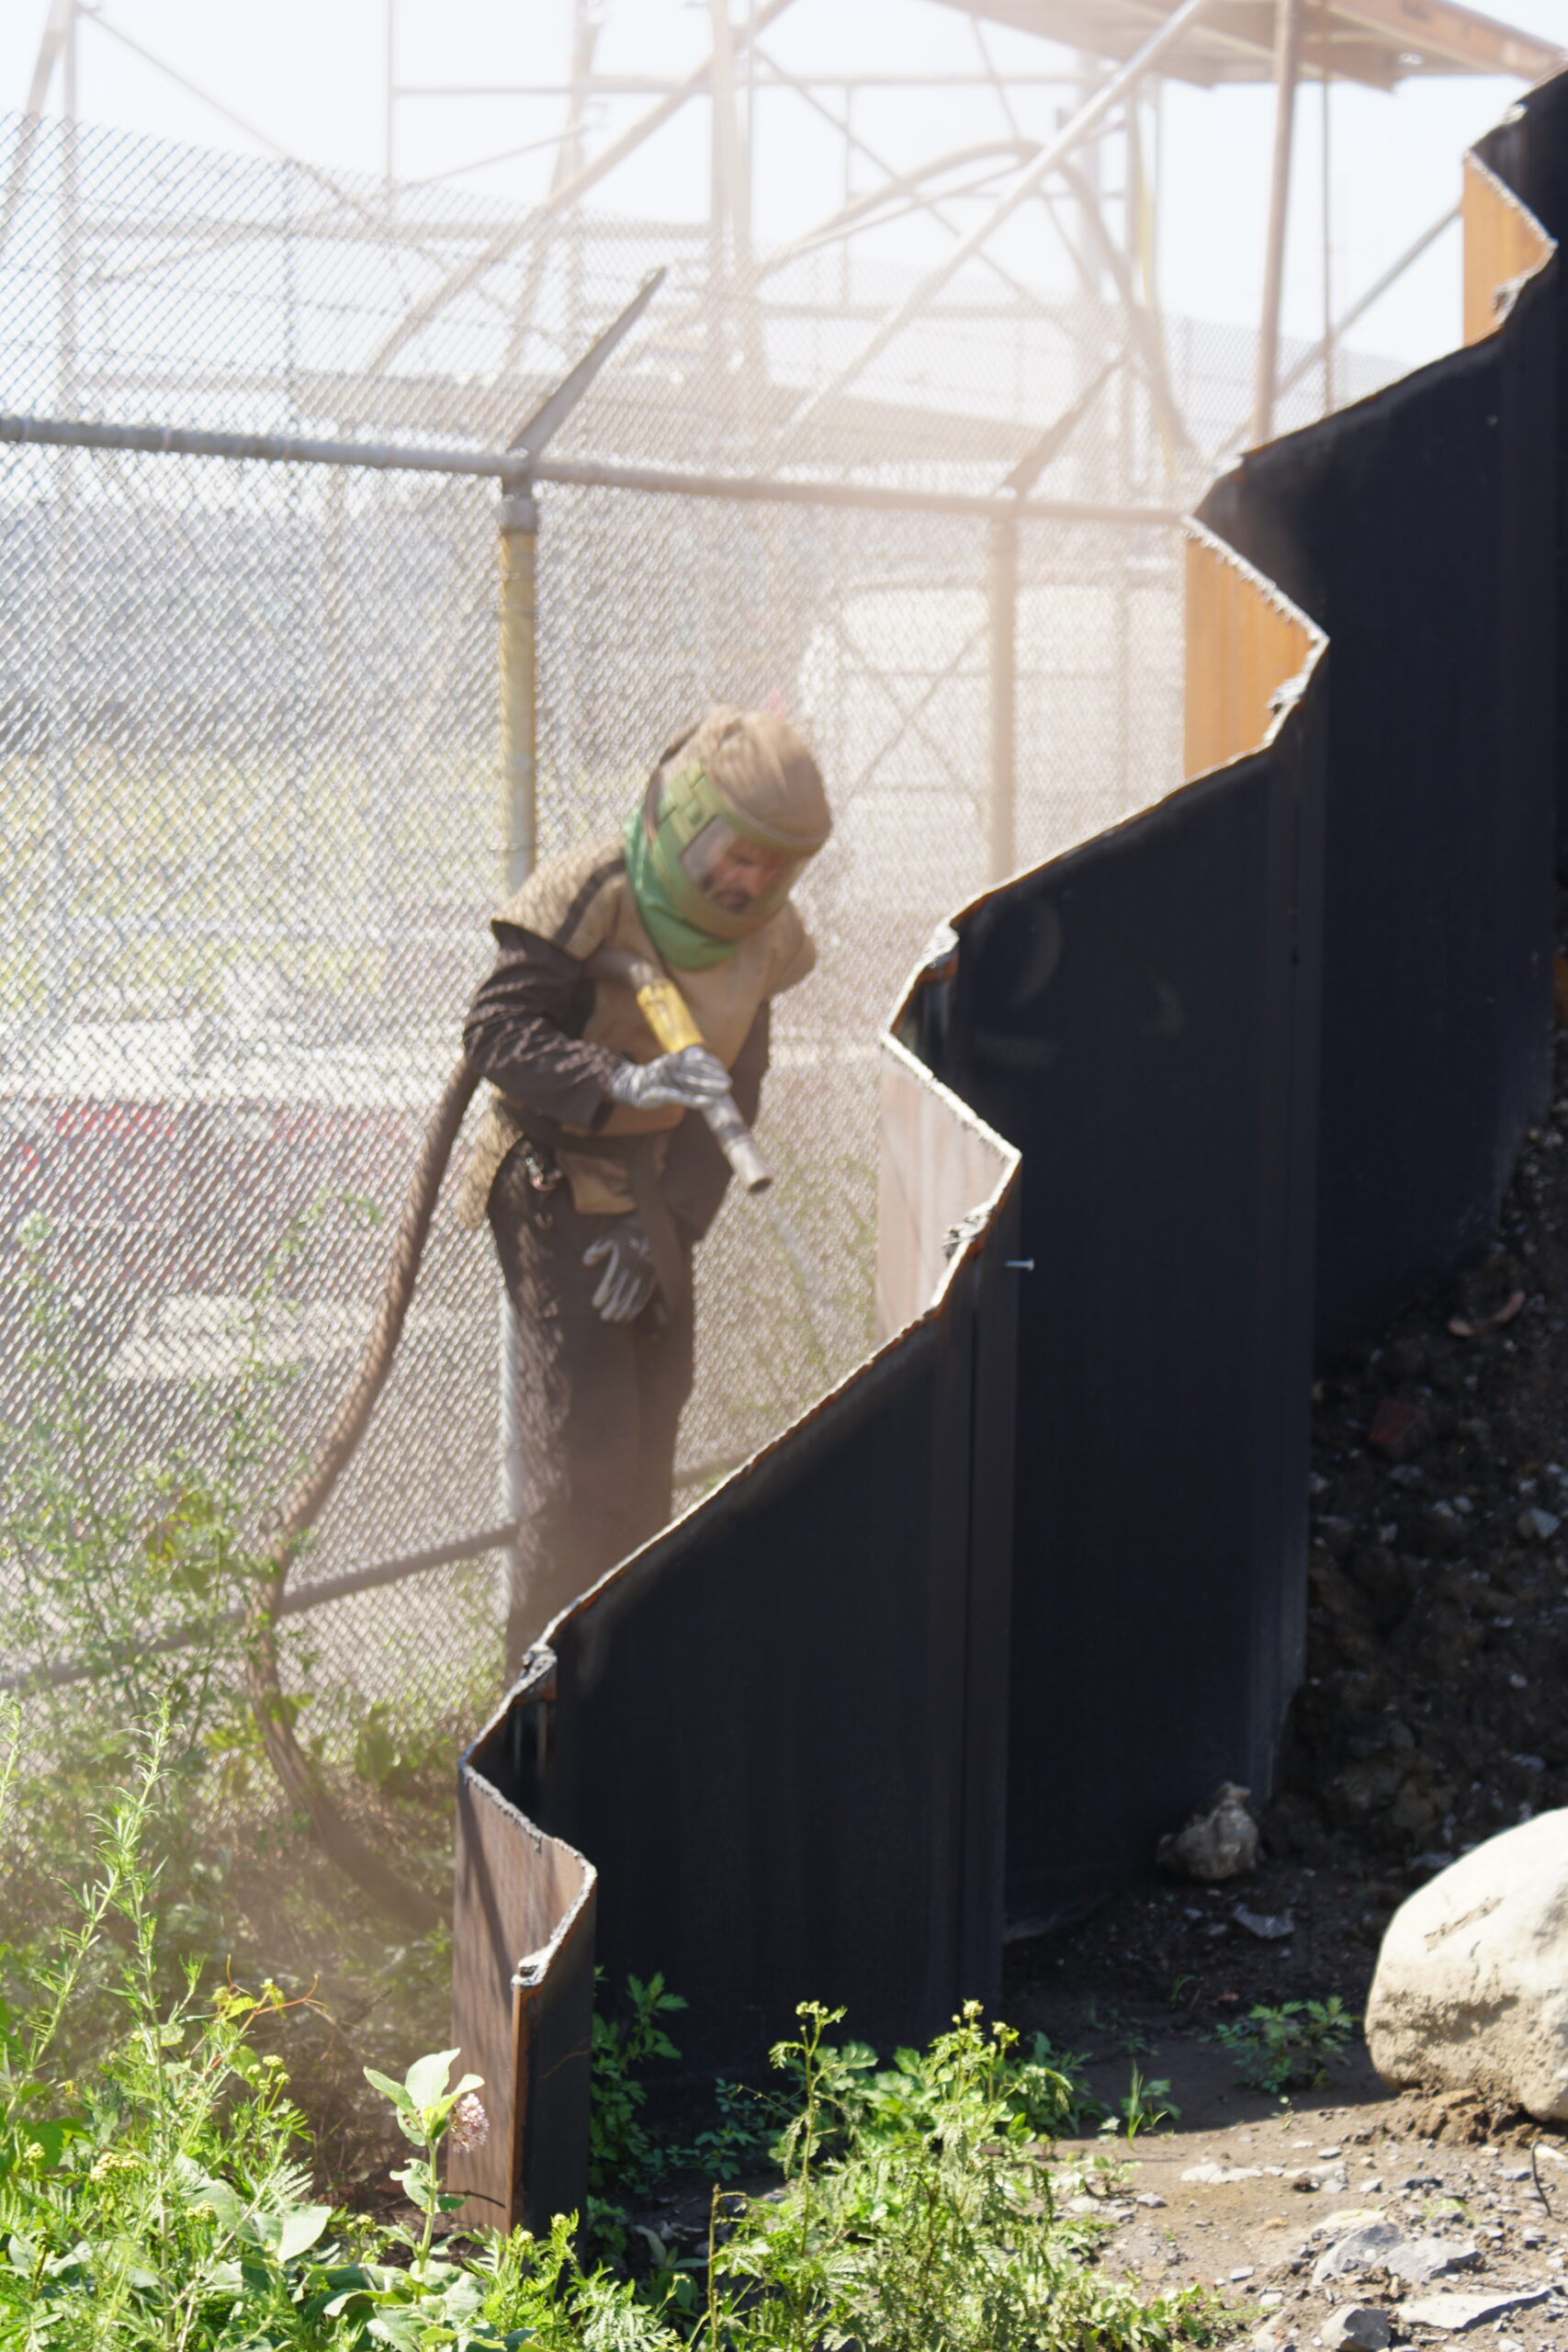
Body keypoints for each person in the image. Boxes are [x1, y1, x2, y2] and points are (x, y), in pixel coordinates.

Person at [457, 705, 831, 1664]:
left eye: (769, 864)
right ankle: (531, 1713)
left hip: (654, 1183)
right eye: (731, 850)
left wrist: (665, 1222)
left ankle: (624, 1681)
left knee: (654, 1423)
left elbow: (734, 1086)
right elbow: (495, 1036)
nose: (745, 879)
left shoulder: (769, 936)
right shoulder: (594, 890)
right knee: (585, 1460)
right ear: (684, 817)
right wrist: (621, 1083)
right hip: (549, 1171)